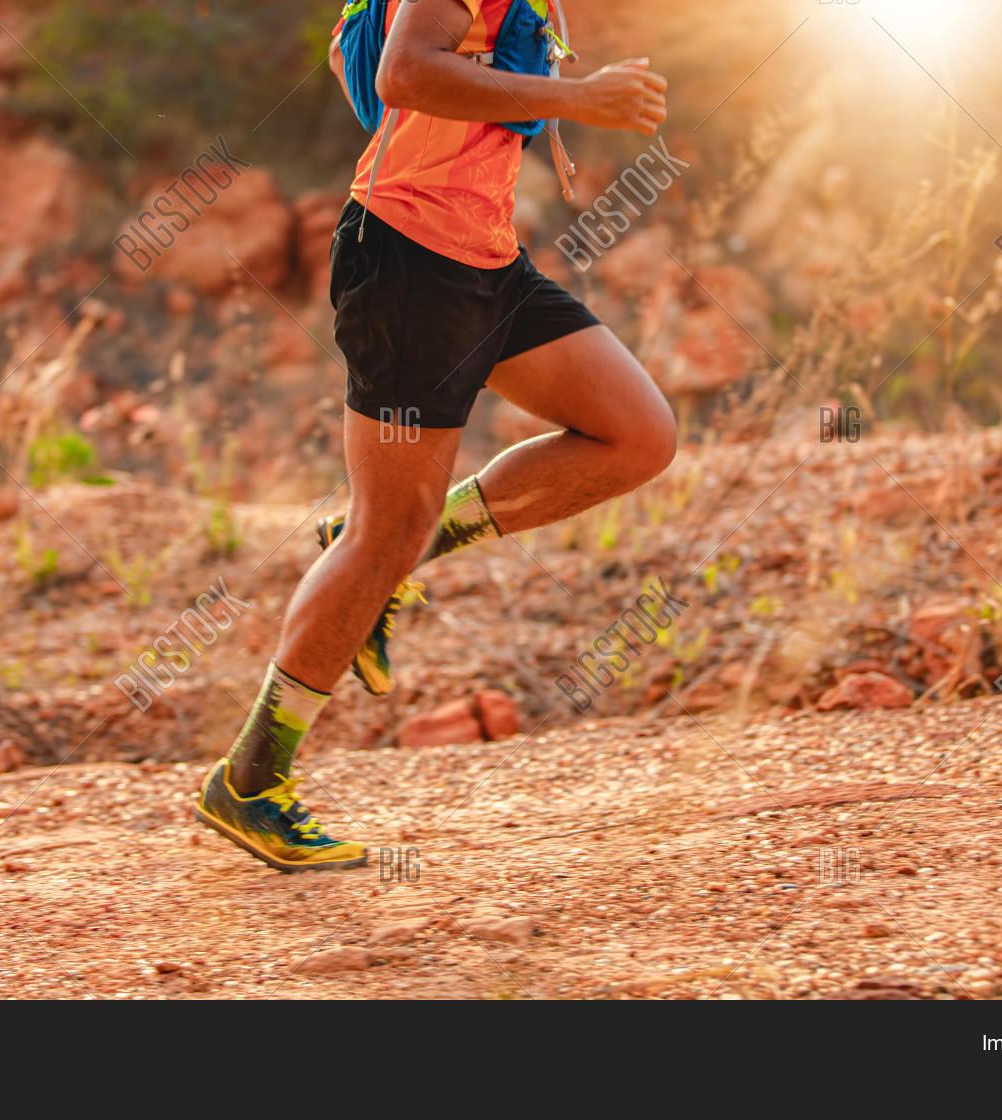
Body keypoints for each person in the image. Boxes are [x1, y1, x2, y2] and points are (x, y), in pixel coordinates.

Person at [195, 0, 676, 871]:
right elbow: (402, 73)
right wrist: (580, 99)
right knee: (389, 530)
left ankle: (384, 550)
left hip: (489, 263)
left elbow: (396, 74)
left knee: (637, 435)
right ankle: (251, 782)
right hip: (408, 259)